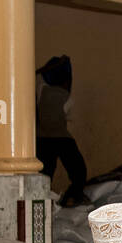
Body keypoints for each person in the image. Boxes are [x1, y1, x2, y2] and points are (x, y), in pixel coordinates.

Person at [35, 55, 89, 208]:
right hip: (61, 138)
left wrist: (51, 66)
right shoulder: (68, 98)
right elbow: (68, 117)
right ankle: (71, 197)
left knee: (44, 175)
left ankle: (40, 204)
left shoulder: (41, 90)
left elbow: (37, 73)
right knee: (79, 171)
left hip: (41, 139)